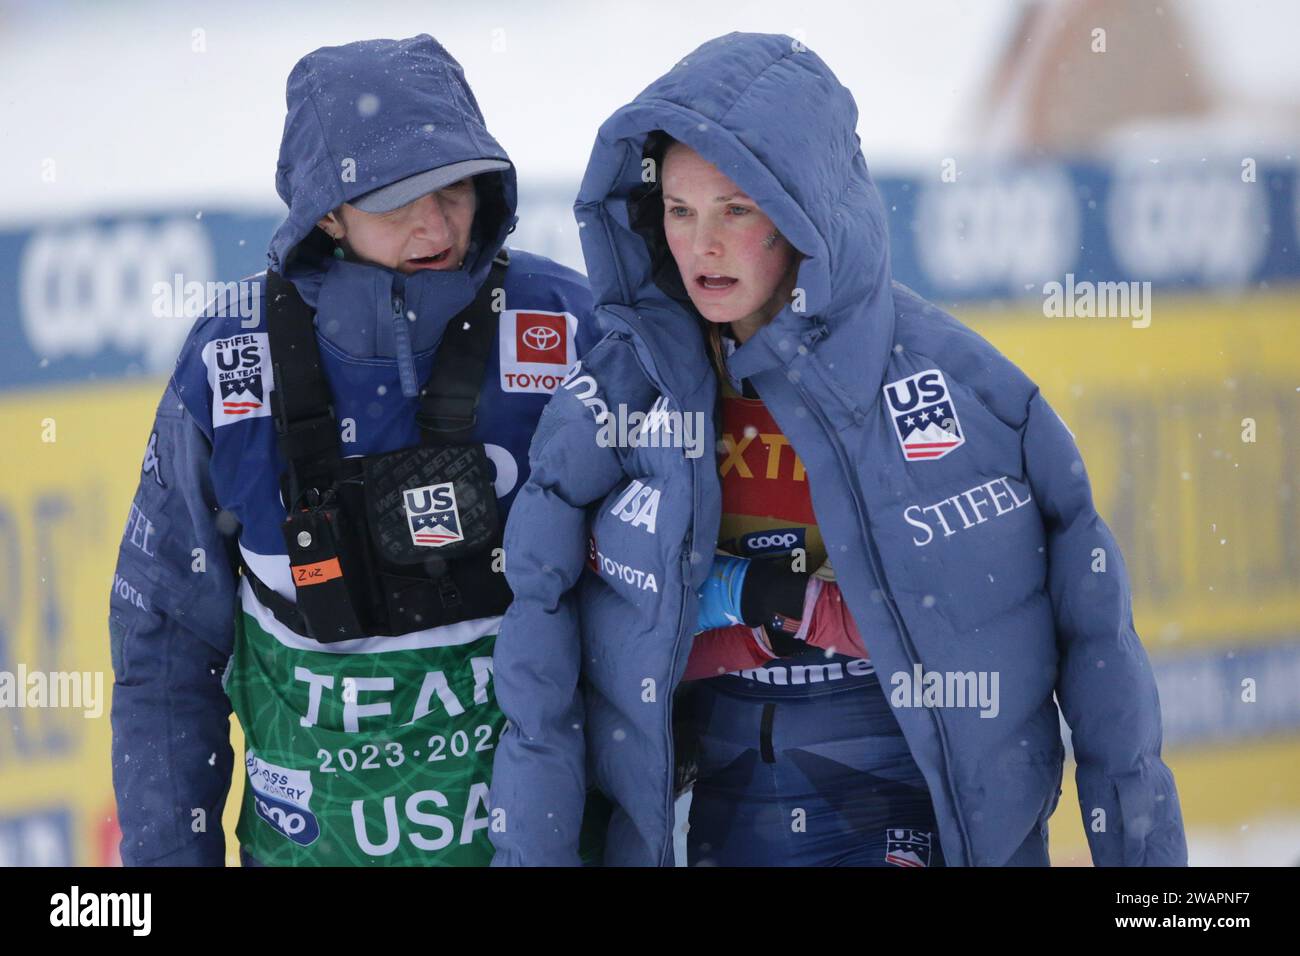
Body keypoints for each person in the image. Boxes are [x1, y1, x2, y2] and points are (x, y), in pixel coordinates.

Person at [488, 31, 1187, 866]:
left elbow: (1103, 661)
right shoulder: (614, 396)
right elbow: (539, 676)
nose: (701, 244)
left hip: (902, 801)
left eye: (736, 210)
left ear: (801, 215)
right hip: (719, 802)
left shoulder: (973, 394)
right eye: (679, 211)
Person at [108, 34, 602, 866]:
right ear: (326, 215)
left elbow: (653, 605)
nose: (435, 222)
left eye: (454, 187)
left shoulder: (571, 328)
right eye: (394, 198)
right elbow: (163, 646)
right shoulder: (230, 360)